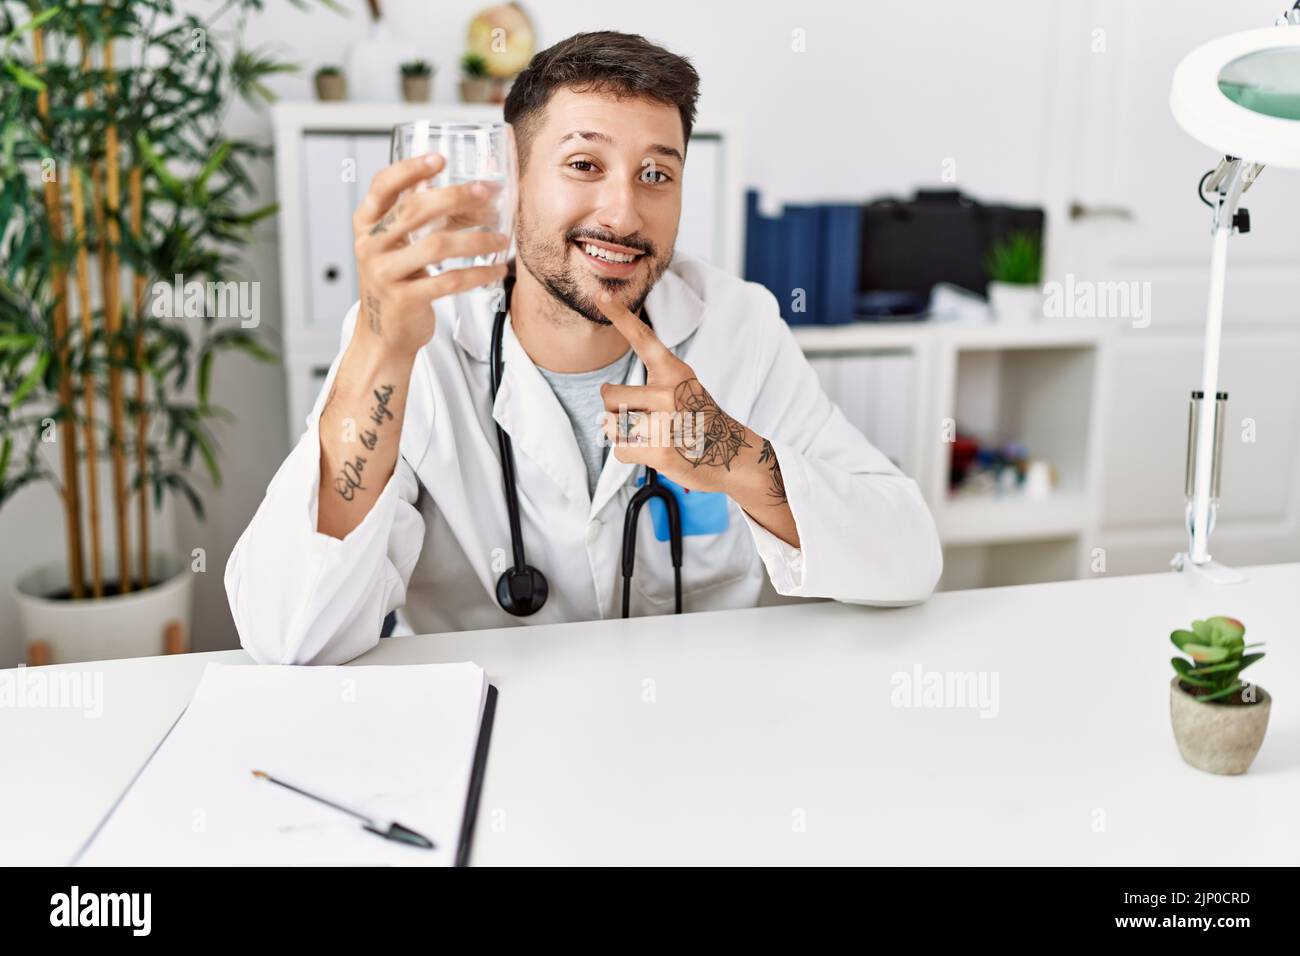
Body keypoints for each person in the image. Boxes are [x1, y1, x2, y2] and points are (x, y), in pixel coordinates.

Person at [225, 31, 942, 665]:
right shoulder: (412, 334)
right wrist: (381, 349)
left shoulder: (738, 326)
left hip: (696, 737)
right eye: (584, 165)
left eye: (656, 174)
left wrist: (732, 456)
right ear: (514, 173)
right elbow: (291, 635)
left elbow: (908, 558)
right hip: (493, 737)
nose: (624, 214)